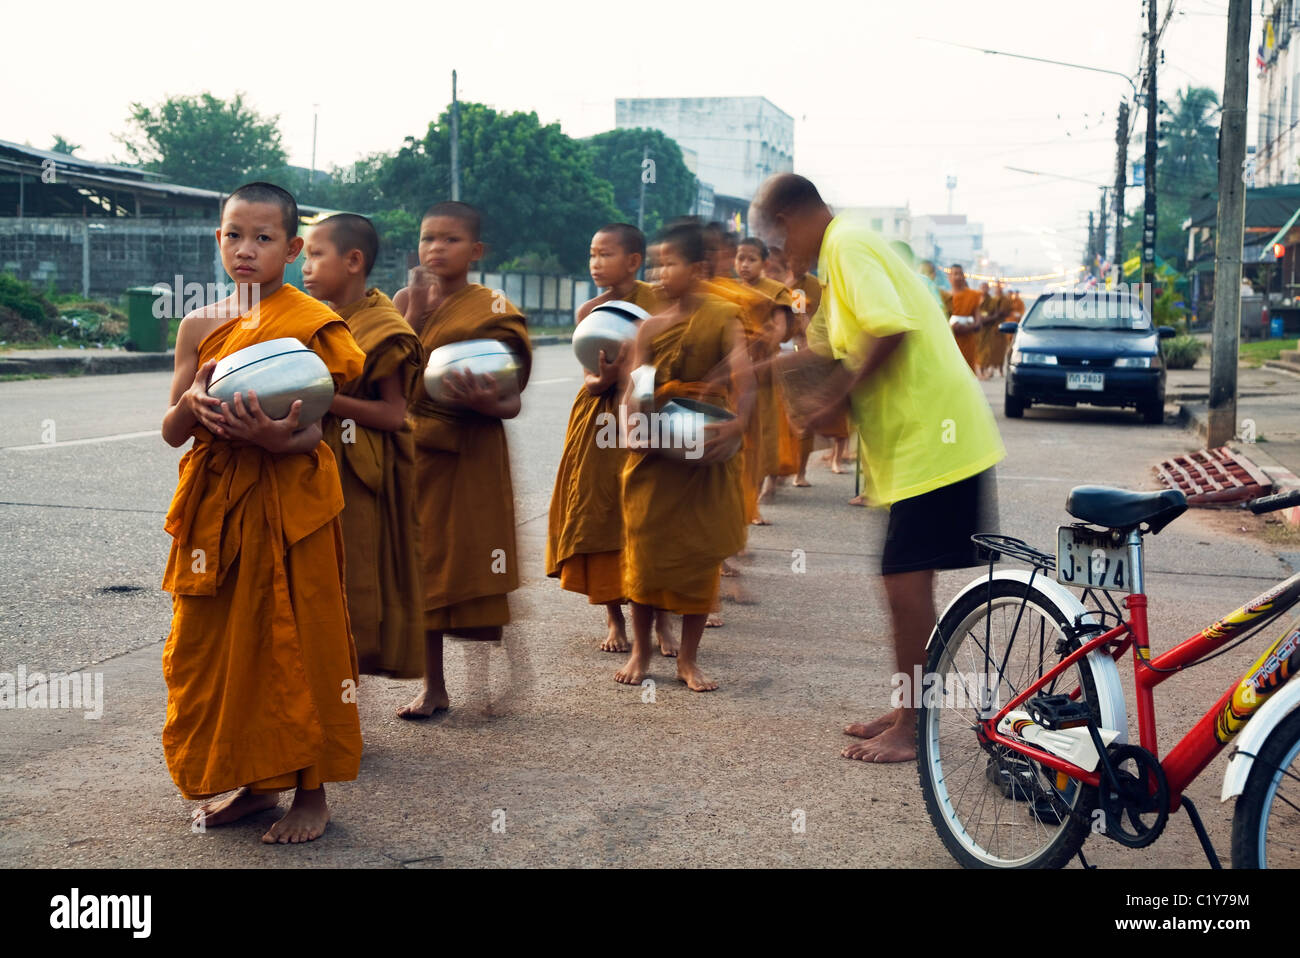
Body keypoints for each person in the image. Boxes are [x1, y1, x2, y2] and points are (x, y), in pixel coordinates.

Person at [750, 173, 1005, 763]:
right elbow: (819, 349)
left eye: (775, 244)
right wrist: (744, 373)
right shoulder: (836, 269)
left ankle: (914, 728)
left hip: (937, 442)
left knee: (904, 583)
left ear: (790, 220)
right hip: (921, 447)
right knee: (905, 581)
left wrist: (837, 393)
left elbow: (890, 329)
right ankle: (909, 707)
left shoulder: (848, 243)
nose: (781, 258)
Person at [159, 181, 366, 843]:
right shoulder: (200, 324)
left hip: (289, 500)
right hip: (216, 507)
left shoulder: (309, 322)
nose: (245, 250)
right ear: (217, 239)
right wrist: (194, 399)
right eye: (232, 236)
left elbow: (314, 430)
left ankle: (312, 793)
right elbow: (169, 430)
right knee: (223, 644)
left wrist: (276, 438)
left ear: (293, 246)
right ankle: (255, 783)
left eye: (263, 238)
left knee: (300, 636)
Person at [392, 201, 532, 718]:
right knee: (419, 566)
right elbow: (385, 370)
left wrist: (483, 401)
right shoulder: (405, 299)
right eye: (428, 238)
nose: (436, 248)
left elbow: (511, 401)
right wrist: (412, 315)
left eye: (450, 240)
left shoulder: (493, 309)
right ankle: (433, 687)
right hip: (412, 449)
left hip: (469, 450)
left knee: (467, 564)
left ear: (475, 251)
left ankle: (496, 678)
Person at [616, 220, 752, 690]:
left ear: (698, 268)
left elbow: (744, 378)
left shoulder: (723, 316)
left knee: (698, 557)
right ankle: (640, 650)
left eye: (669, 263)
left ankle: (688, 659)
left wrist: (737, 421)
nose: (660, 273)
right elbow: (638, 384)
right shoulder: (651, 325)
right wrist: (632, 422)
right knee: (646, 553)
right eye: (656, 263)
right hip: (656, 450)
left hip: (706, 447)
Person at [304, 213, 425, 681]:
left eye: (317, 254)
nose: (306, 267)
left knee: (350, 583)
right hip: (312, 455)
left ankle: (343, 708)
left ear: (353, 261)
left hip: (360, 467)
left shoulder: (380, 325)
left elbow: (395, 414)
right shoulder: (313, 319)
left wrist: (325, 398)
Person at [545, 223, 677, 656]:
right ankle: (613, 618)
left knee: (650, 512)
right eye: (592, 254)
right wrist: (604, 378)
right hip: (600, 415)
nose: (596, 263)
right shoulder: (590, 311)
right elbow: (588, 374)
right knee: (601, 509)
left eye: (606, 254)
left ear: (634, 261)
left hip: (647, 409)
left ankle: (662, 623)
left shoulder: (659, 303)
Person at [946, 265, 982, 373]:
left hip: (967, 343)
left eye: (960, 274)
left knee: (967, 374)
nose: (957, 277)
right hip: (949, 344)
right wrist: (951, 328)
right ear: (949, 277)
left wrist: (967, 327)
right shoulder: (944, 296)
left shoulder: (973, 296)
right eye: (954, 274)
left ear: (964, 277)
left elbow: (978, 323)